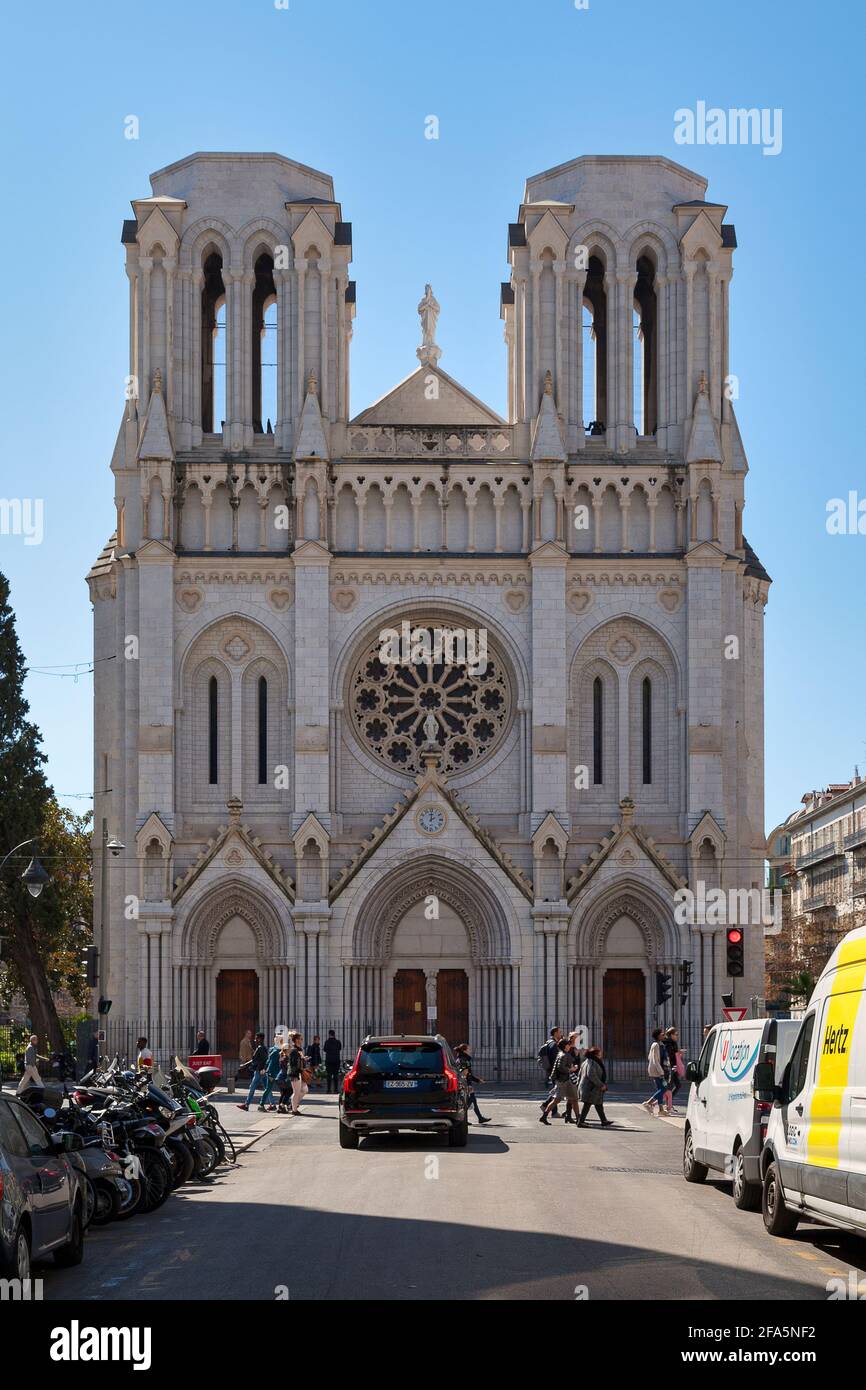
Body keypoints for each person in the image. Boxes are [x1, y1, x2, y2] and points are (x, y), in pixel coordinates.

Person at [539, 1033, 580, 1124]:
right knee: (573, 1099)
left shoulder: (561, 1054)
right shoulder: (564, 1055)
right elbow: (561, 1067)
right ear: (565, 1046)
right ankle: (578, 1119)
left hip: (563, 1080)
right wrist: (571, 1069)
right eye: (568, 1045)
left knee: (563, 1099)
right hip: (564, 1081)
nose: (570, 1046)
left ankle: (544, 1116)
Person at [576, 1046, 614, 1127]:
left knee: (598, 1104)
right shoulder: (592, 1062)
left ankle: (603, 1120)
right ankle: (581, 1122)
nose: (601, 1055)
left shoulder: (587, 1061)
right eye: (599, 1053)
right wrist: (601, 1085)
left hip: (590, 1087)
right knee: (588, 1103)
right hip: (591, 1088)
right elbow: (591, 1075)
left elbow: (579, 1075)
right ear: (595, 1054)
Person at [453, 1043, 491, 1124]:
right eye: (468, 1049)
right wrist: (468, 1084)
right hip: (465, 1083)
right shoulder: (464, 1060)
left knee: (472, 1100)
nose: (470, 1050)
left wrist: (477, 1080)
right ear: (464, 1050)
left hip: (464, 1083)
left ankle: (479, 1118)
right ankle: (461, 1117)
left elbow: (467, 1074)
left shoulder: (461, 1059)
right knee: (470, 1100)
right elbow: (465, 1073)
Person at [237, 1032, 269, 1111]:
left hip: (259, 1071)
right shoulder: (263, 1048)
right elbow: (256, 1060)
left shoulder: (260, 1048)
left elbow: (263, 1060)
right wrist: (245, 1064)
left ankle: (247, 1104)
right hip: (261, 1070)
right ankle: (272, 1104)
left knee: (252, 1087)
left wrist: (262, 1068)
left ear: (259, 1039)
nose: (255, 1040)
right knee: (267, 1088)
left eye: (256, 1038)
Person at [643, 1027, 671, 1116]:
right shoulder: (655, 1045)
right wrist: (661, 1072)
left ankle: (661, 1109)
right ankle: (649, 1102)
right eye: (662, 1034)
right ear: (658, 1036)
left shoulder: (660, 1044)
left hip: (659, 1070)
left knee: (660, 1089)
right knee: (663, 1088)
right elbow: (655, 1060)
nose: (664, 1035)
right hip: (657, 1071)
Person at [537, 1026, 563, 1118]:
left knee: (556, 1090)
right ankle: (552, 1111)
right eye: (560, 1032)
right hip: (554, 1071)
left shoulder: (549, 1042)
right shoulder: (554, 1044)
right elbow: (555, 1059)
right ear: (555, 1033)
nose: (561, 1033)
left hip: (551, 1070)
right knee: (557, 1091)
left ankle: (547, 1107)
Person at [663, 1027, 683, 1115]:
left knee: (677, 1085)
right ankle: (654, 1103)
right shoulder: (668, 1043)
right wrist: (678, 1053)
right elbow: (670, 1055)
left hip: (673, 1066)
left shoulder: (672, 1043)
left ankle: (668, 1104)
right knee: (670, 1087)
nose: (677, 1036)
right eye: (676, 1034)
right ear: (671, 1035)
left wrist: (678, 1053)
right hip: (670, 1067)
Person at [288, 1032, 308, 1115]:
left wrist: (303, 1059)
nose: (302, 1040)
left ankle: (293, 1104)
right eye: (300, 1039)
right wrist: (301, 1059)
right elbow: (292, 1063)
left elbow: (300, 1061)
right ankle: (294, 1110)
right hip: (295, 1073)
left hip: (300, 1072)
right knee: (296, 1092)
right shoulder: (293, 1050)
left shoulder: (299, 1050)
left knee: (305, 1089)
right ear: (296, 1040)